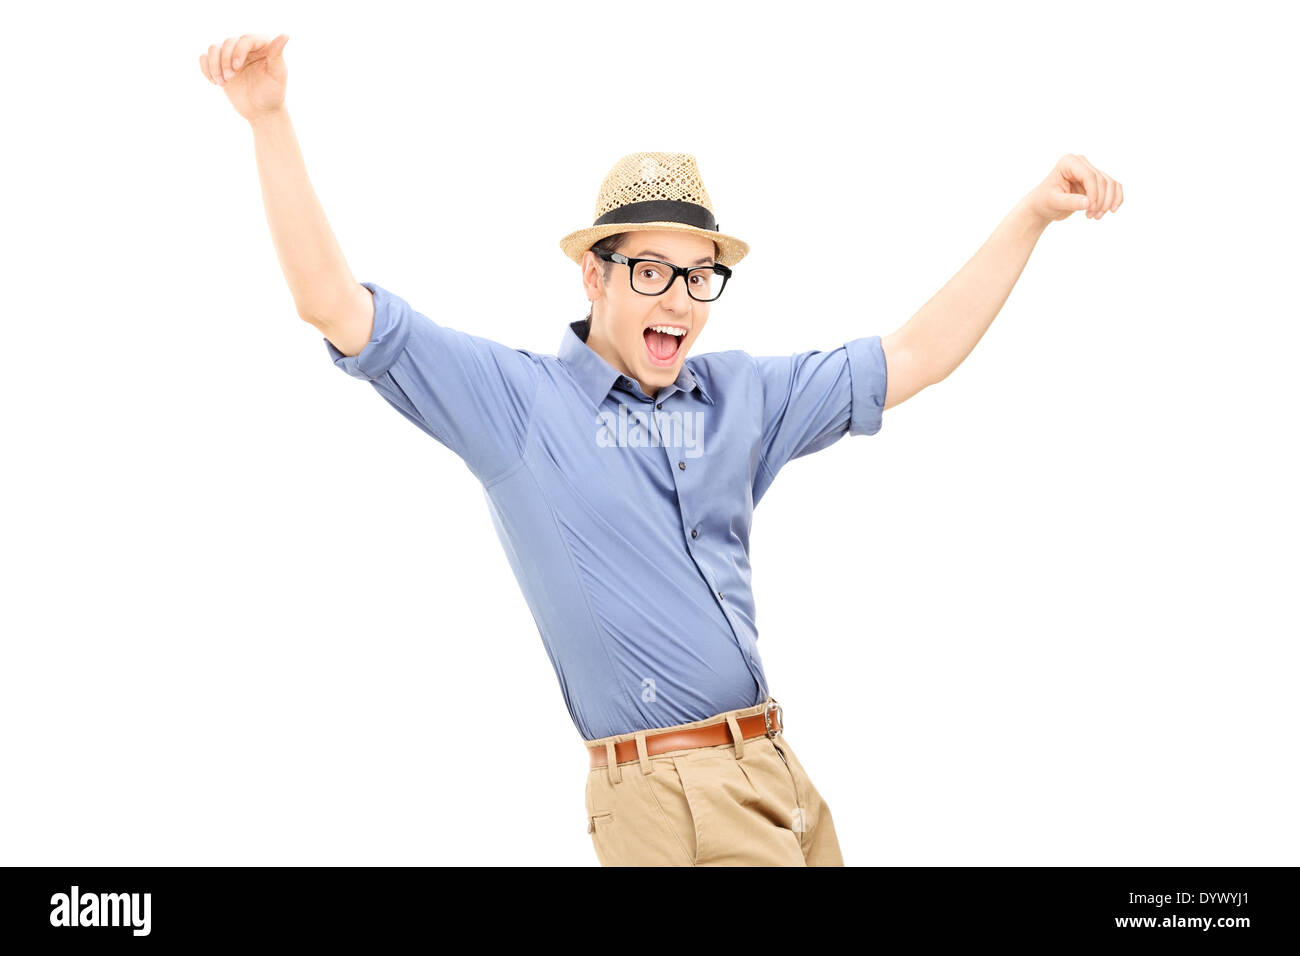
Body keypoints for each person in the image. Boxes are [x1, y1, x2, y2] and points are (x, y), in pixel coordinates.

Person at [200, 33, 1123, 867]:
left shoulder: (740, 400)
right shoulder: (520, 406)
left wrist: (1032, 214)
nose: (679, 300)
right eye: (650, 272)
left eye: (699, 276)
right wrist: (271, 120)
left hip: (781, 773)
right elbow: (335, 305)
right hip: (666, 799)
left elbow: (916, 354)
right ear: (595, 274)